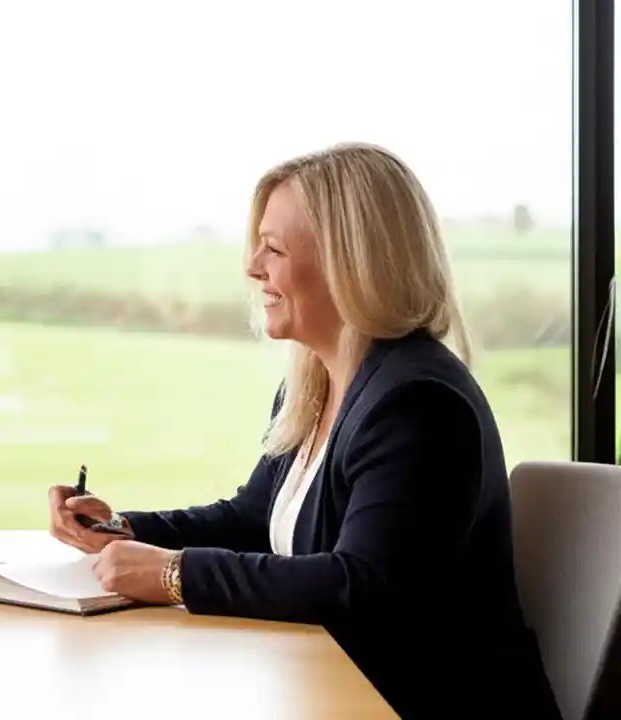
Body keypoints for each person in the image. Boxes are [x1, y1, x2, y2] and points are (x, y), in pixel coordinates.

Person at [47, 143, 559, 718]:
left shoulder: (420, 403)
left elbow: (363, 587)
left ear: (351, 263)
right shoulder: (313, 385)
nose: (252, 266)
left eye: (274, 248)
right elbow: (252, 521)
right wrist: (121, 530)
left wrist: (173, 573)